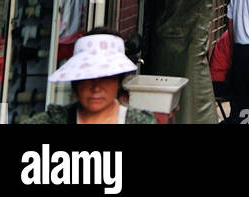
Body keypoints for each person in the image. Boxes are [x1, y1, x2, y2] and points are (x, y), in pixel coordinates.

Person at [16, 28, 156, 125]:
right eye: (87, 78)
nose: (96, 88)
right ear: (75, 83)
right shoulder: (53, 121)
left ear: (118, 80)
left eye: (105, 77)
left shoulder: (140, 122)